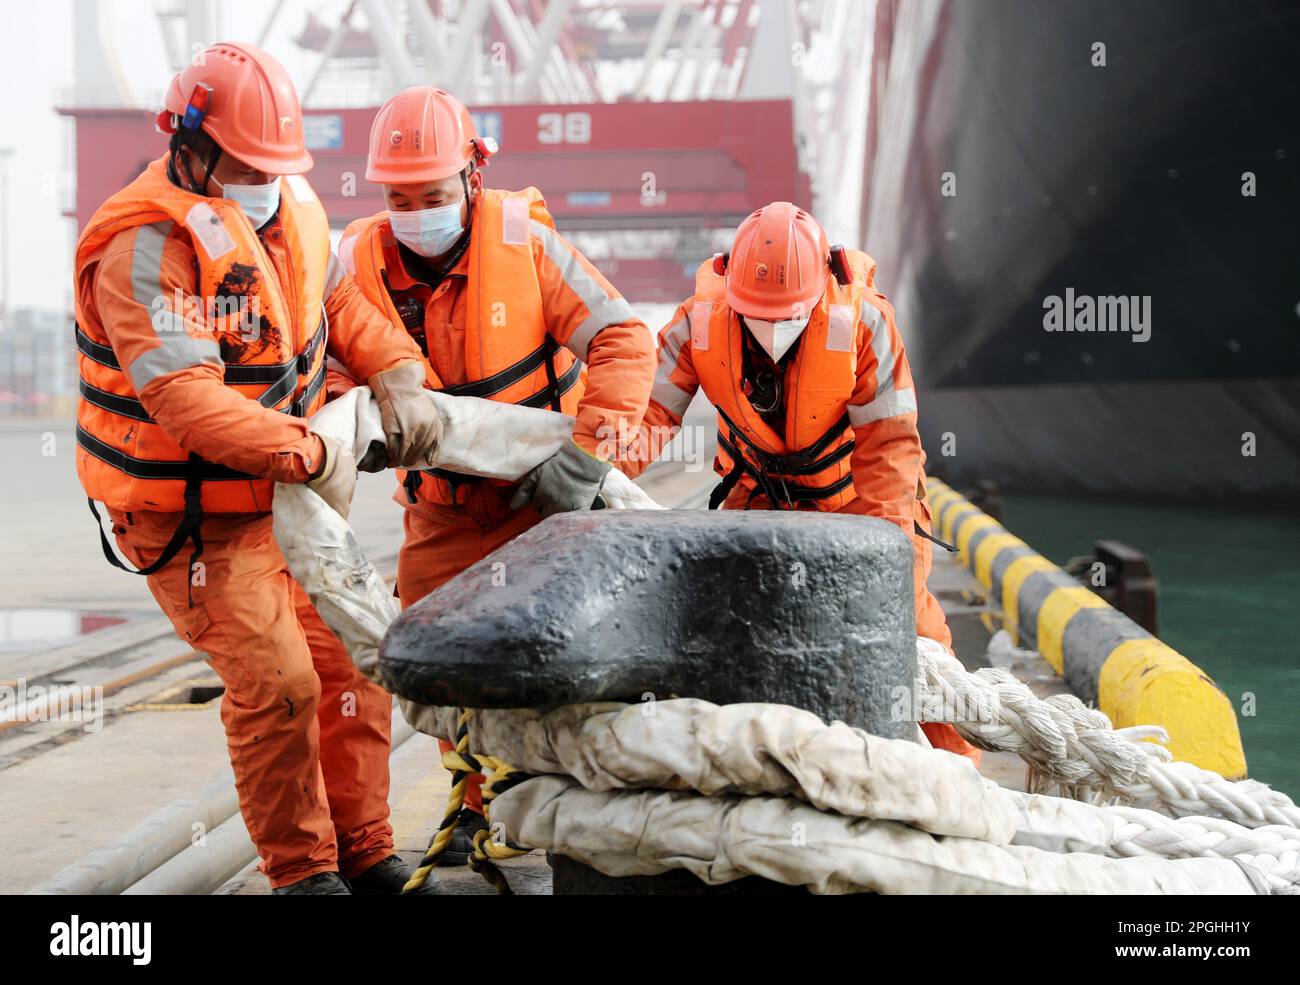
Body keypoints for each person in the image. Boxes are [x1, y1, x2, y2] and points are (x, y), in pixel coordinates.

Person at [73, 43, 445, 894]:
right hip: (198, 523)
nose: (263, 180)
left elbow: (335, 303)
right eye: (247, 166)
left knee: (356, 658)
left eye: (275, 166)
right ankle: (304, 872)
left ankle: (366, 849)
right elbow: (184, 399)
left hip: (290, 500)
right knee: (282, 683)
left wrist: (393, 366)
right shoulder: (144, 243)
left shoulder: (291, 208)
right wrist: (313, 452)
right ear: (190, 144)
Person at [334, 86, 657, 859]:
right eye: (398, 196)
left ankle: (564, 821)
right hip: (439, 516)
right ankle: (475, 811)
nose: (415, 211)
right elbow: (320, 369)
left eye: (433, 194)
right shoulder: (352, 263)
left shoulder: (529, 249)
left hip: (538, 510)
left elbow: (623, 340)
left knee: (559, 668)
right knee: (443, 673)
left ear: (473, 177)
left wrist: (586, 457)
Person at [620, 202, 981, 763]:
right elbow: (648, 417)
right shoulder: (698, 322)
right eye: (756, 318)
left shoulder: (864, 324)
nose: (771, 331)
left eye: (787, 317)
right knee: (745, 637)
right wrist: (594, 468)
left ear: (820, 291)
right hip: (758, 501)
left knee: (913, 635)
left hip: (857, 503)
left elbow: (890, 447)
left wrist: (884, 556)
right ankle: (772, 770)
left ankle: (957, 776)